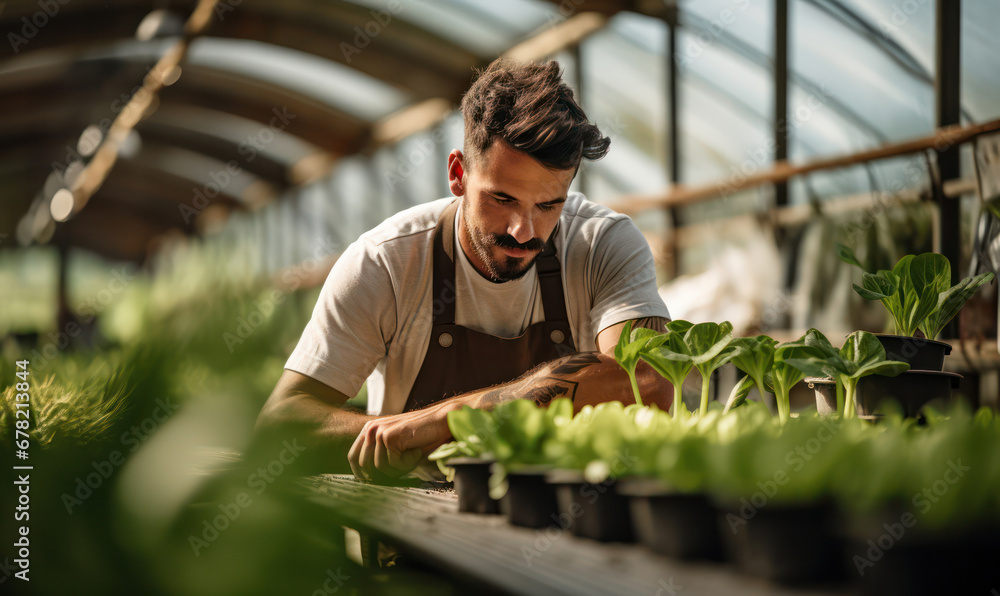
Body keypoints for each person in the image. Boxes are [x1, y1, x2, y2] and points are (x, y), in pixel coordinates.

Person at [256, 58, 674, 481]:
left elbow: (647, 382)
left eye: (549, 205)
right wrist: (389, 435)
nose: (524, 231)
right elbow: (282, 423)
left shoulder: (603, 244)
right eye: (502, 199)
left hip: (565, 516)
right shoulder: (386, 262)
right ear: (458, 173)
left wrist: (455, 417)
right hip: (413, 527)